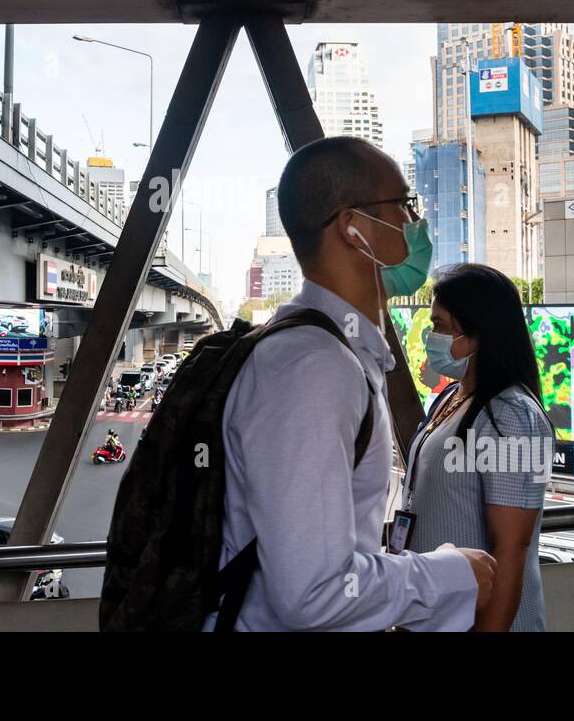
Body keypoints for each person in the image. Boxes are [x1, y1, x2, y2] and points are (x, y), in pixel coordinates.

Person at [207, 135, 494, 631]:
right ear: (354, 229)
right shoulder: (313, 366)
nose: (416, 223)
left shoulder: (331, 350)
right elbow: (312, 592)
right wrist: (453, 575)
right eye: (404, 204)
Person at [403, 264, 555, 631]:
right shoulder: (451, 399)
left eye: (440, 325)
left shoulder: (513, 417)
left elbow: (511, 550)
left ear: (475, 335)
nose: (430, 336)